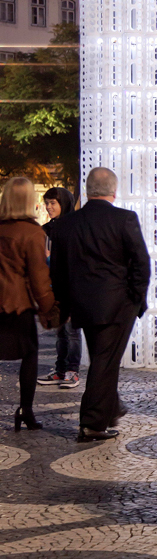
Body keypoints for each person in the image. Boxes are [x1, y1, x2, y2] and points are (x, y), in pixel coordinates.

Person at [49, 167, 151, 443]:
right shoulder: (124, 219)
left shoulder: (67, 224)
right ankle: (93, 423)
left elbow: (57, 271)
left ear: (88, 189)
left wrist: (65, 302)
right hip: (118, 305)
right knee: (105, 361)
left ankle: (111, 407)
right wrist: (136, 298)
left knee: (102, 359)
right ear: (114, 191)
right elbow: (141, 262)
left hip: (83, 304)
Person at [0, 177, 59, 430]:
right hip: (17, 305)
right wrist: (49, 308)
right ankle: (26, 410)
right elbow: (38, 276)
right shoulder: (33, 232)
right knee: (30, 354)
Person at [37, 187, 82, 389]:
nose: (48, 207)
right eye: (47, 203)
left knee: (72, 331)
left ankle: (72, 371)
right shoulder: (47, 229)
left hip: (72, 287)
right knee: (60, 332)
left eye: (53, 203)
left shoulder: (75, 228)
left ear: (63, 204)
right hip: (53, 288)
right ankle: (60, 370)